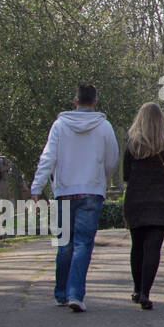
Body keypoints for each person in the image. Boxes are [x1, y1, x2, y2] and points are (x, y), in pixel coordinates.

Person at [30, 84, 120, 313]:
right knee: (83, 243)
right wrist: (102, 179)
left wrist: (37, 187)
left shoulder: (60, 126)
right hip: (91, 192)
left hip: (65, 191)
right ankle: (75, 294)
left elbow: (48, 157)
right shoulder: (104, 127)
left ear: (75, 101)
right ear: (95, 102)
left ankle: (61, 293)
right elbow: (112, 160)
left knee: (64, 243)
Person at [121, 102, 164, 310]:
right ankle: (146, 292)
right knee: (153, 248)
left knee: (137, 246)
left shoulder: (133, 146)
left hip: (136, 201)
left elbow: (126, 175)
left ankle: (137, 289)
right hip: (162, 203)